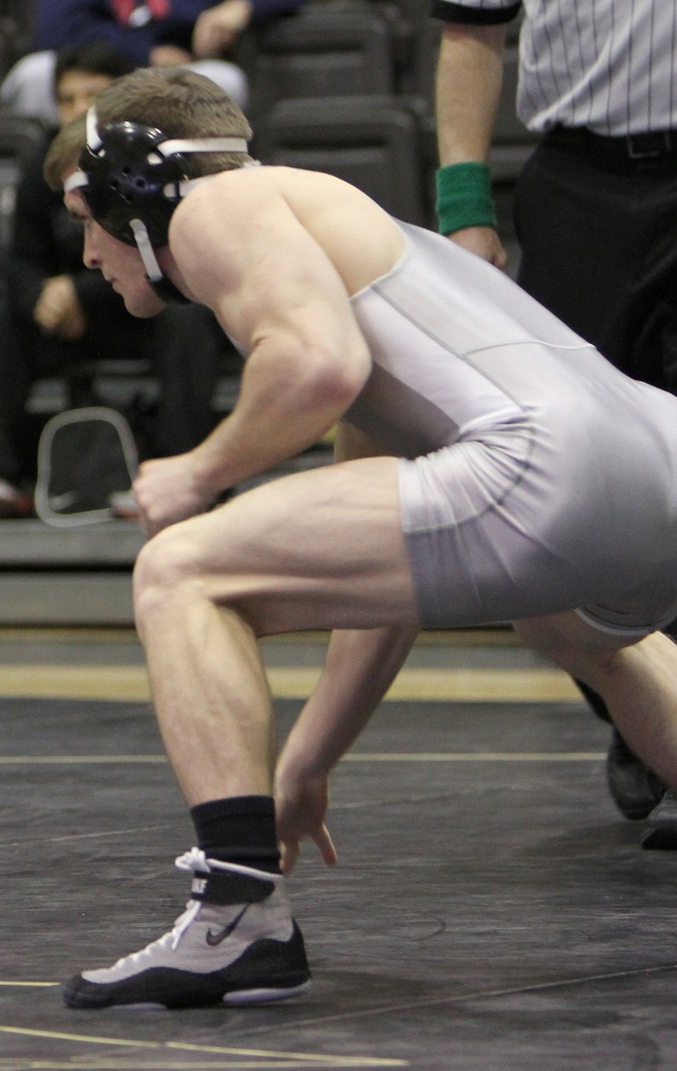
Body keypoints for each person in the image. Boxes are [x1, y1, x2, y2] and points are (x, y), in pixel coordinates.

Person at [45, 66, 677, 1011]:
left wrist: (199, 470)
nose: (89, 251)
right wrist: (307, 760)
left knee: (179, 569)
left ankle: (237, 916)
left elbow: (316, 367)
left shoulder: (217, 207)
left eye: (87, 216)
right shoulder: (353, 244)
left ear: (137, 185)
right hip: (653, 455)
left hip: (550, 460)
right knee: (583, 633)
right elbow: (387, 577)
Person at [433, 0, 677, 848]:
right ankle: (636, 701)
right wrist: (463, 206)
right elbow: (469, 33)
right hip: (578, 190)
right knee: (586, 465)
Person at [0, 42, 228, 520]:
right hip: (66, 318)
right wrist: (40, 296)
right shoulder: (45, 164)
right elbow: (20, 260)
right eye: (65, 99)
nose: (76, 109)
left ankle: (178, 476)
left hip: (142, 306)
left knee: (188, 321)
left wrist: (80, 294)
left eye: (90, 96)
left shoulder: (153, 161)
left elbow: (169, 252)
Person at [0, 0, 302, 125]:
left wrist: (246, 6)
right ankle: (49, 177)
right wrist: (145, 54)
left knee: (223, 80)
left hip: (177, 74)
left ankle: (206, 177)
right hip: (98, 68)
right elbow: (53, 30)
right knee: (33, 74)